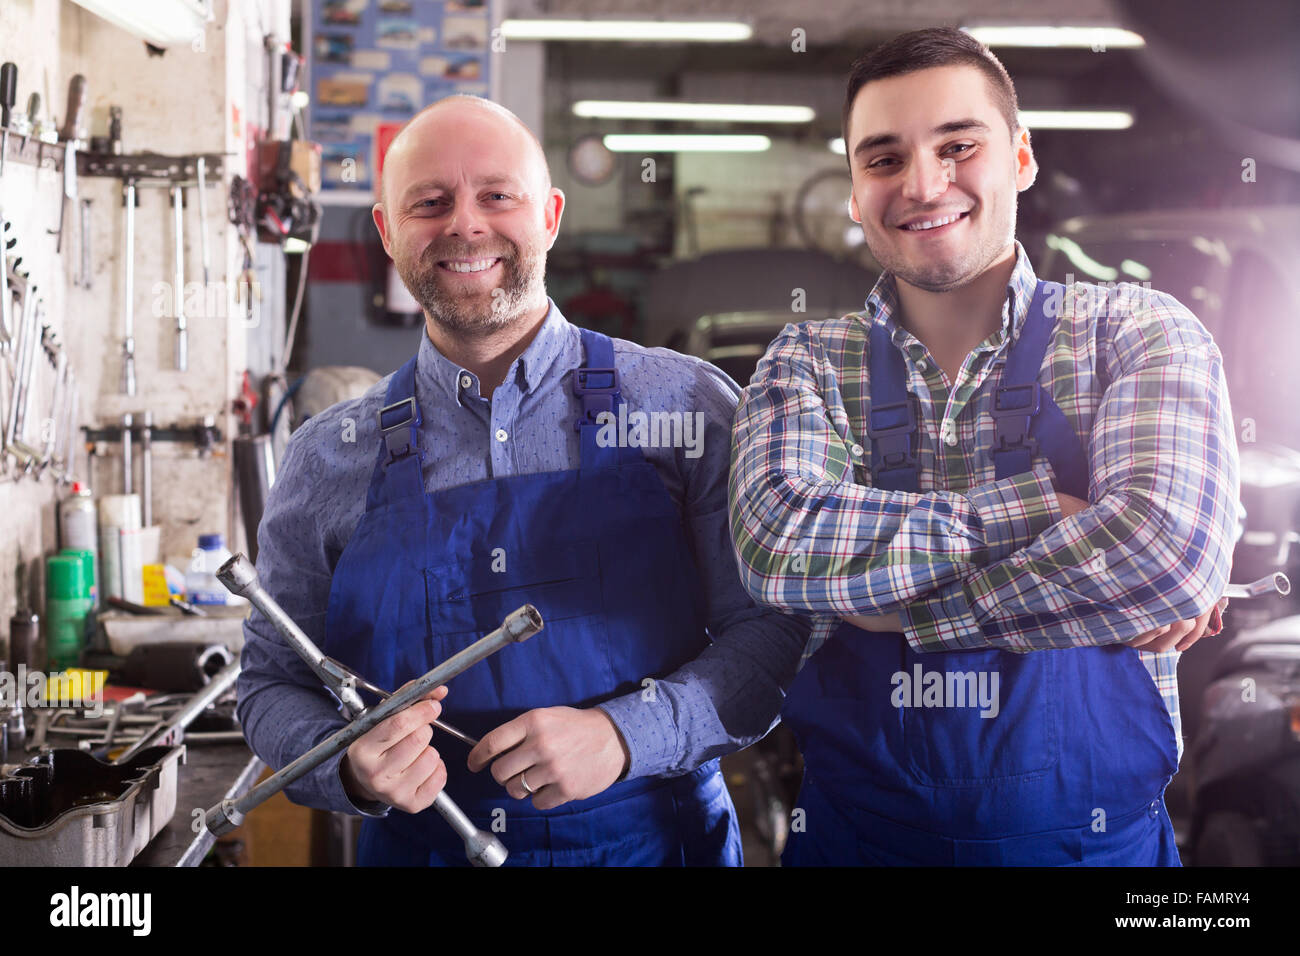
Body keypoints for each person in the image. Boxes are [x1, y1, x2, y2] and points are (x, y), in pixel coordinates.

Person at [235, 95, 807, 867]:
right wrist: (346, 766)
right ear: (386, 232)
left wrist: (625, 735)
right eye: (429, 203)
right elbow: (271, 683)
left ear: (550, 215)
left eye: (497, 196)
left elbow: (771, 636)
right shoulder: (327, 456)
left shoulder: (687, 407)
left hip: (658, 847)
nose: (465, 225)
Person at [727, 27, 1239, 866]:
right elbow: (780, 546)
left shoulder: (1137, 333)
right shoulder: (808, 360)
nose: (923, 184)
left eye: (958, 145)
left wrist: (902, 611)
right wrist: (1049, 514)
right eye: (883, 159)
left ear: (1021, 158)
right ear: (855, 191)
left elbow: (1165, 554)